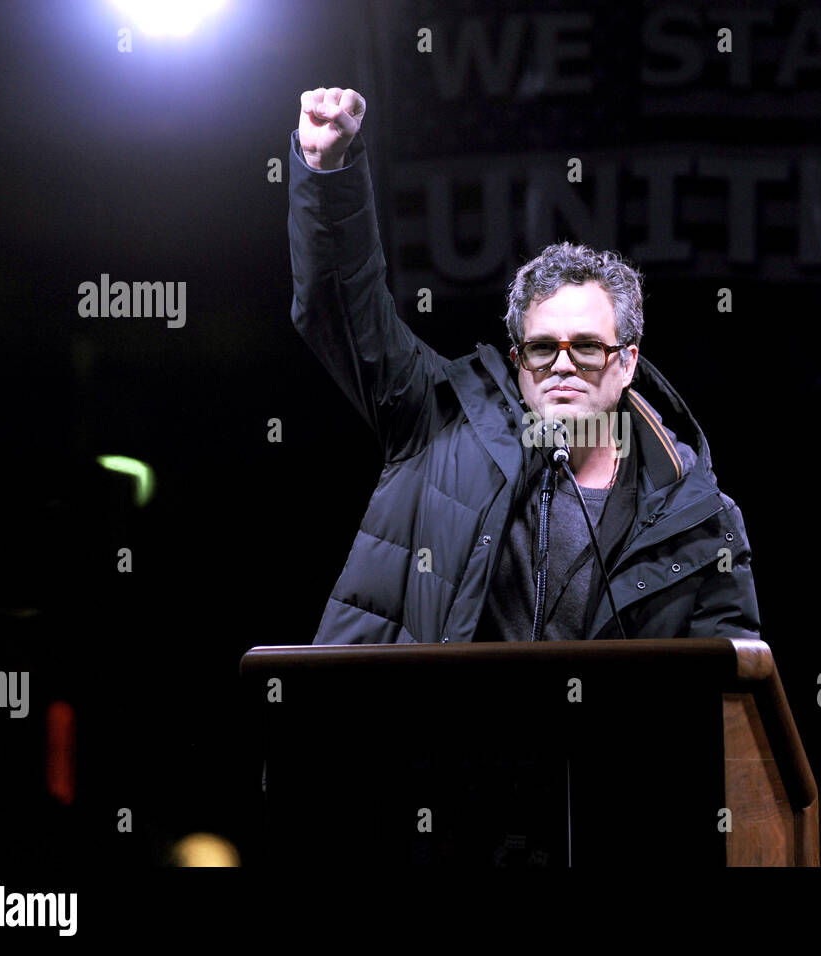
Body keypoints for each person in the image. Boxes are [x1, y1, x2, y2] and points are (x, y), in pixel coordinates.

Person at [290, 86, 760, 645]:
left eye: (587, 347)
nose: (563, 365)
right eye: (542, 348)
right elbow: (342, 310)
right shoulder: (441, 426)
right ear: (517, 361)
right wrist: (327, 172)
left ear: (627, 362)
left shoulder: (699, 515)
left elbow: (728, 690)